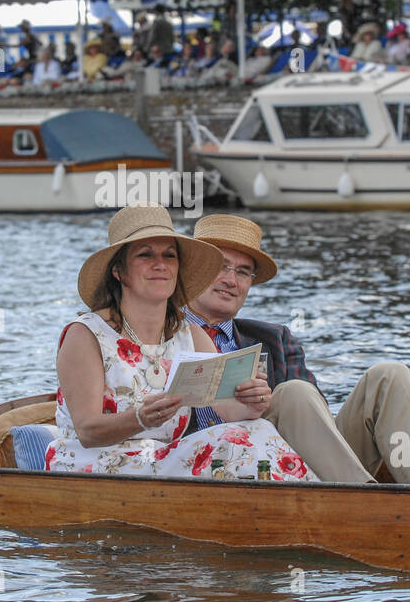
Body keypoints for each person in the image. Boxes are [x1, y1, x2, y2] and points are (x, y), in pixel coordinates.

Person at [47, 205, 317, 480]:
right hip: (92, 469)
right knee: (228, 442)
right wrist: (139, 419)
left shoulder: (189, 334)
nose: (160, 264)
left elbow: (228, 407)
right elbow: (88, 431)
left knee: (258, 429)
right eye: (145, 254)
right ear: (119, 271)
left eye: (169, 255)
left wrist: (253, 402)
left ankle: (312, 505)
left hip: (160, 464)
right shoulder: (86, 334)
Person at [185, 214, 410, 484]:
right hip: (213, 466)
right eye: (221, 266)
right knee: (293, 392)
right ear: (193, 271)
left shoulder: (273, 338)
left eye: (243, 272)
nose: (231, 280)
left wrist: (263, 401)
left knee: (389, 374)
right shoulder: (166, 336)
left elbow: (313, 416)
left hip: (300, 461)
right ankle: (363, 499)